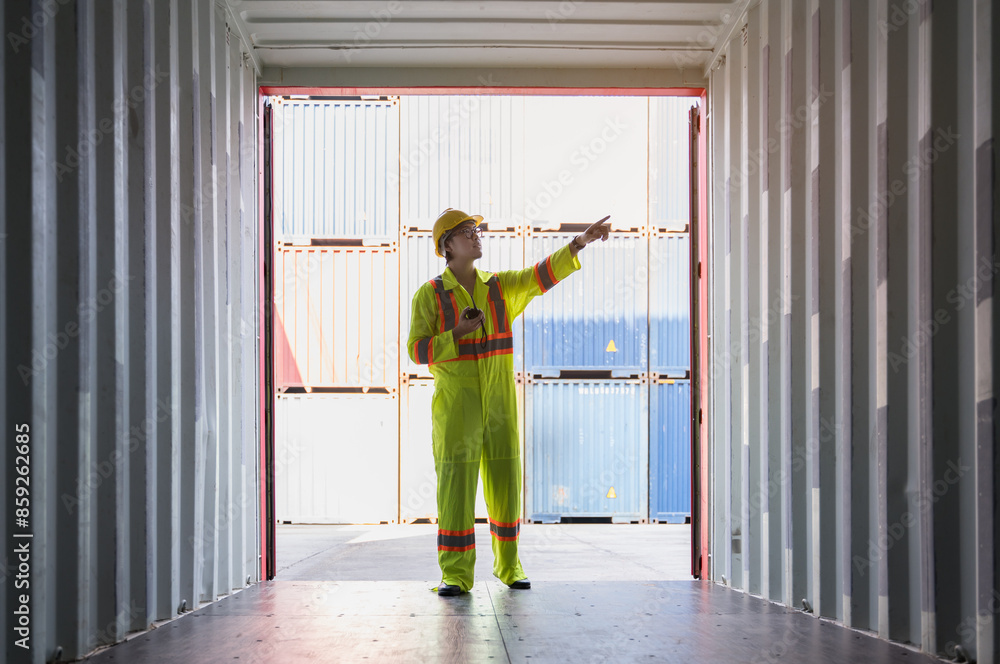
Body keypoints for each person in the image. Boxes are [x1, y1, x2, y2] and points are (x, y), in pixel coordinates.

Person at [406, 208, 610, 596]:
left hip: (499, 407)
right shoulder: (429, 295)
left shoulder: (499, 288)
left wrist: (579, 242)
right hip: (456, 410)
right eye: (466, 232)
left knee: (505, 487)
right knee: (455, 490)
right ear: (447, 246)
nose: (476, 235)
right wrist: (457, 333)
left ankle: (510, 566)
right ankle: (455, 574)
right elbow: (416, 351)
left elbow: (539, 275)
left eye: (476, 230)